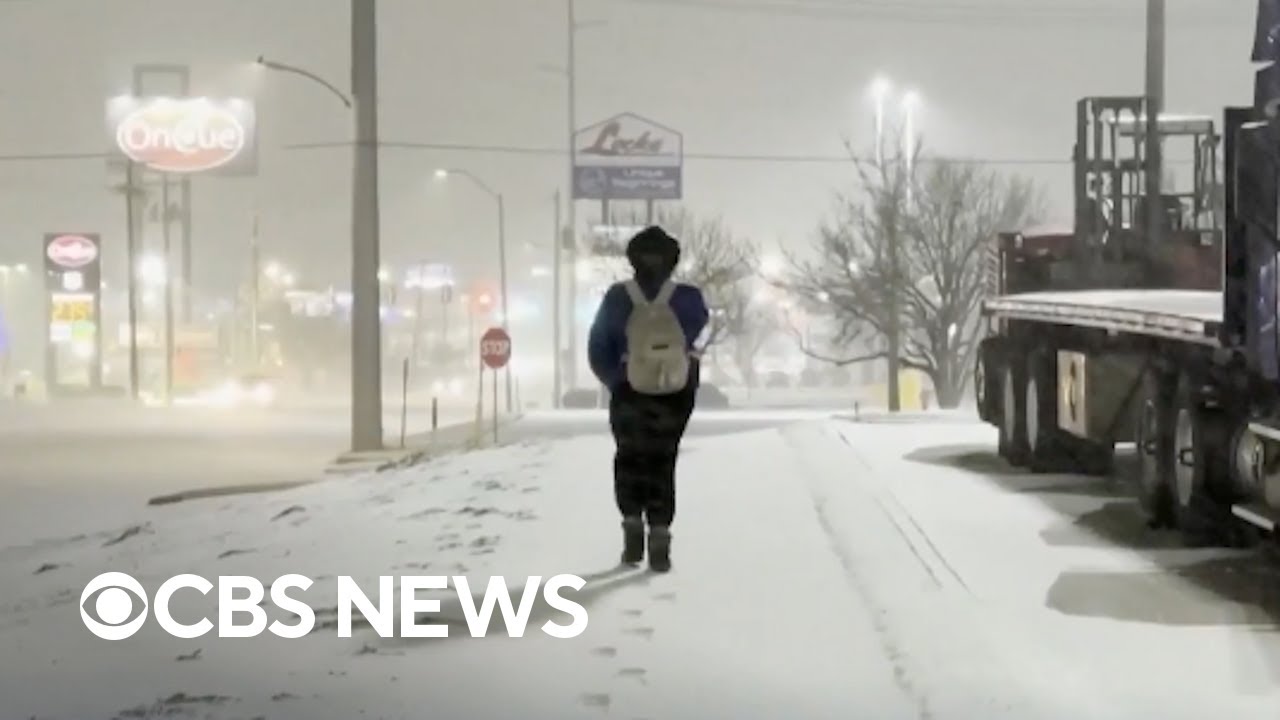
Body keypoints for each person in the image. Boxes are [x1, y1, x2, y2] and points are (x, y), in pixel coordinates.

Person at [588, 226, 709, 573]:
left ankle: (631, 526)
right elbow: (696, 339)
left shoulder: (617, 297)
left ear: (632, 258)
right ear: (674, 259)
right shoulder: (688, 298)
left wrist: (616, 380)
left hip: (629, 391)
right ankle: (660, 532)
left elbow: (598, 346)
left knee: (628, 457)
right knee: (663, 460)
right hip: (675, 392)